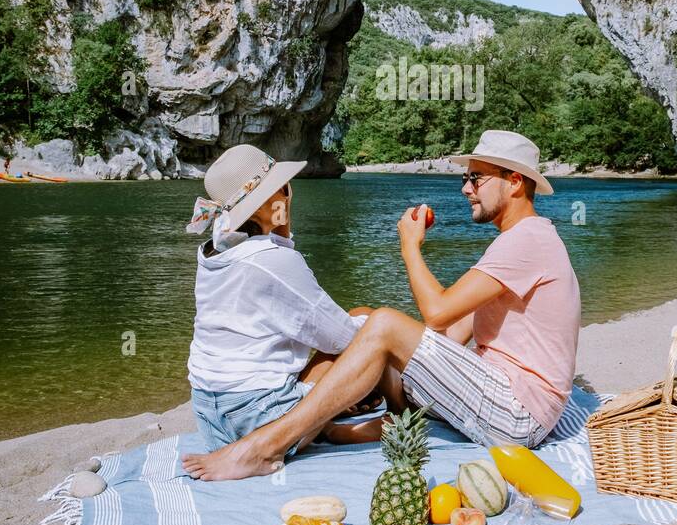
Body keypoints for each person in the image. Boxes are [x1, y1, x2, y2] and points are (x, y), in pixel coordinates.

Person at [183, 130, 581, 482]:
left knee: (385, 324)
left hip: (517, 414)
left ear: (515, 182)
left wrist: (410, 247)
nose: (465, 188)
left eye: (475, 178)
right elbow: (450, 329)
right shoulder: (522, 241)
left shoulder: (526, 241)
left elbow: (438, 313)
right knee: (377, 328)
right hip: (501, 394)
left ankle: (264, 447)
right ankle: (378, 414)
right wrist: (396, 362)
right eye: (466, 178)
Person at [181, 145, 381, 465]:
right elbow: (343, 338)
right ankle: (394, 416)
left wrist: (282, 231)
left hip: (211, 421)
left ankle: (329, 425)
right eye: (284, 187)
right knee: (372, 330)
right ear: (262, 203)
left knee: (355, 322)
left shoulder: (213, 253)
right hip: (260, 421)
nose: (289, 193)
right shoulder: (274, 261)